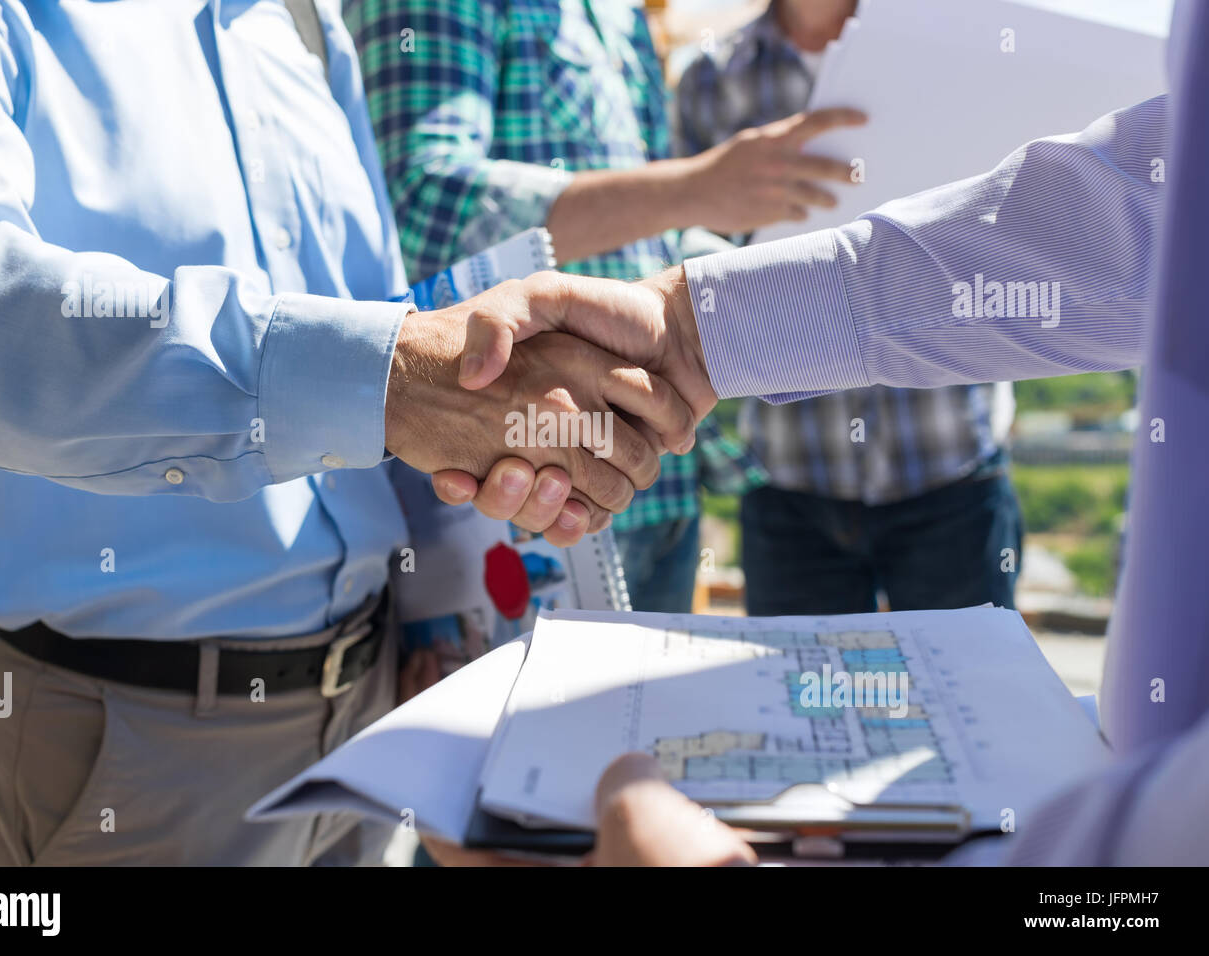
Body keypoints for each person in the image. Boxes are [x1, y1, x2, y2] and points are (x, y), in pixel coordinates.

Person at [0, 0, 691, 865]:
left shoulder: (306, 26)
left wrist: (441, 628)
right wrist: (392, 380)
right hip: (121, 749)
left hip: (367, 724)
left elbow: (385, 316)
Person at [430, 0, 1209, 862]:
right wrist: (694, 332)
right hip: (782, 489)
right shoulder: (707, 76)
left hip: (944, 481)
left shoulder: (957, 38)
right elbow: (1128, 218)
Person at [342, 0, 863, 611]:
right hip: (523, 498)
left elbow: (648, 239)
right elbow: (423, 208)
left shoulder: (623, 15)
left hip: (659, 476)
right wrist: (696, 187)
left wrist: (779, 273)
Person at [675, 0, 1023, 616]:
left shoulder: (941, 51)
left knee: (967, 703)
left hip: (949, 467)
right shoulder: (710, 78)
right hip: (790, 481)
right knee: (805, 708)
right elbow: (687, 242)